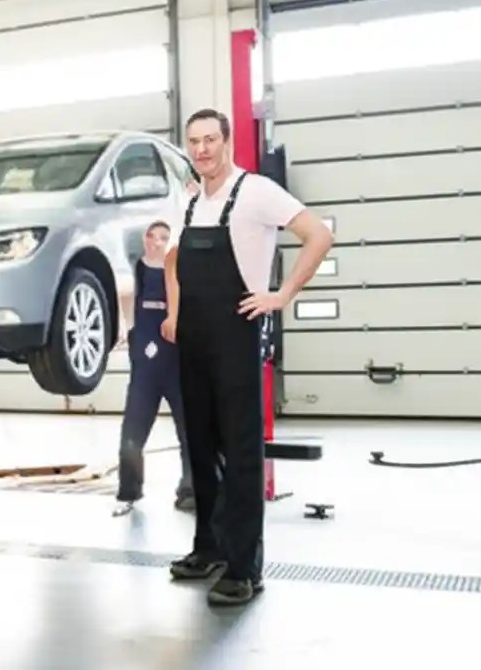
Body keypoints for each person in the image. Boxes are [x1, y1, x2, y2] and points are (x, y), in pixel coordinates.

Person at [161, 108, 333, 606]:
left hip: (236, 334)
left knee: (240, 453)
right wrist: (174, 313)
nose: (202, 150)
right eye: (193, 142)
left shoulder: (255, 190)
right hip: (193, 338)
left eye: (210, 140)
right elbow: (173, 260)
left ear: (227, 140)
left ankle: (244, 568)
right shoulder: (190, 199)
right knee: (201, 448)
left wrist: (281, 294)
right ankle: (209, 548)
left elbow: (319, 234)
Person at [112, 221, 194, 517]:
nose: (157, 242)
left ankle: (191, 491)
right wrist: (126, 331)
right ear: (144, 239)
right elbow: (123, 299)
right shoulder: (134, 269)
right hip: (145, 362)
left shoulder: (180, 271)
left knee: (189, 430)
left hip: (176, 358)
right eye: (152, 236)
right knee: (133, 430)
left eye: (163, 237)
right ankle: (128, 491)